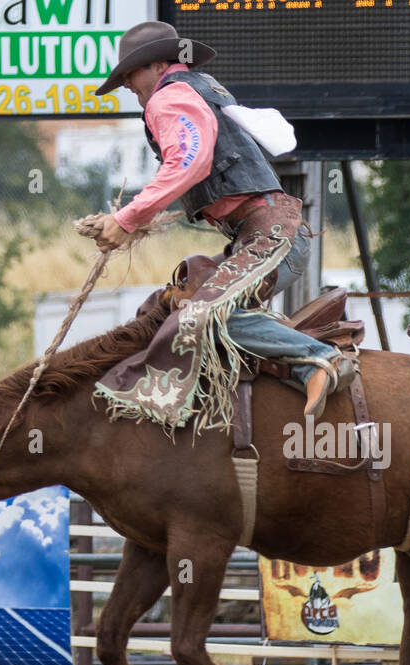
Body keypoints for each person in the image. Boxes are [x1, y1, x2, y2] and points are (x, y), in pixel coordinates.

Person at [83, 21, 349, 432]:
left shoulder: (167, 99)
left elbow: (190, 161)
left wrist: (126, 218)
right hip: (265, 233)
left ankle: (322, 361)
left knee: (202, 317)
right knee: (170, 309)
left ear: (155, 65)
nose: (126, 86)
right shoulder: (198, 86)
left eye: (129, 75)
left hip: (272, 236)